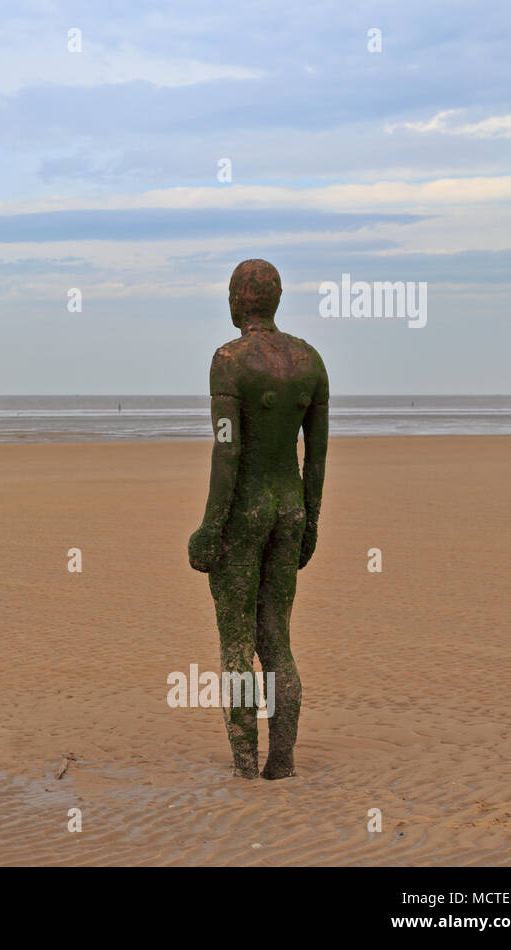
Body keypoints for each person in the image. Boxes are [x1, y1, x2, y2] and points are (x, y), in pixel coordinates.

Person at [187, 259, 328, 780]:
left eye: (229, 292)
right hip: (288, 508)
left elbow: (227, 451)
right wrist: (310, 522)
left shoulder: (230, 360)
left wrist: (209, 527)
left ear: (239, 300)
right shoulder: (310, 361)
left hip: (245, 512)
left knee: (237, 643)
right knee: (277, 639)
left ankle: (246, 763)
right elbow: (316, 456)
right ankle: (282, 759)